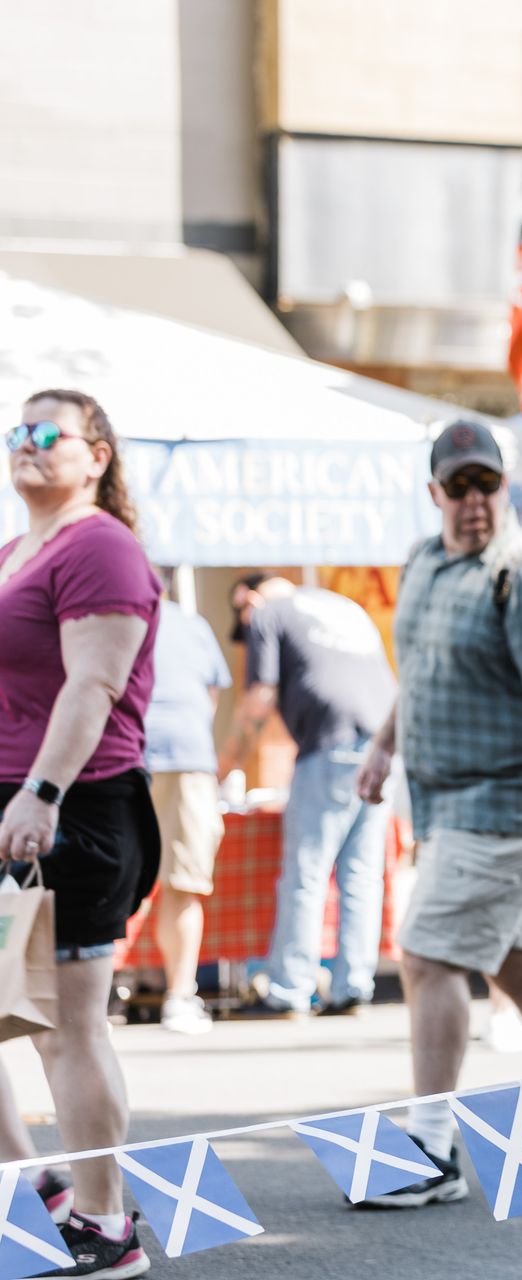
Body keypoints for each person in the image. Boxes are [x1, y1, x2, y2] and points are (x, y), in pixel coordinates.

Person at [350, 419, 522, 1205]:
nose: (473, 501)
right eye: (458, 486)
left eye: (487, 484)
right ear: (435, 492)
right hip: (442, 802)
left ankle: (431, 1149)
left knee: (428, 959)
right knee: (520, 965)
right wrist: (381, 746)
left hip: (503, 802)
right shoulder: (424, 560)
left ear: (508, 488)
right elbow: (423, 670)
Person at [0, 390, 163, 1276]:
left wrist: (42, 792)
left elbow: (91, 686)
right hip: (14, 803)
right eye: (15, 431)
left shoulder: (99, 544)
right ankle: (28, 1190)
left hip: (77, 806)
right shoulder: (16, 551)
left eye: (45, 433)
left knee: (67, 1027)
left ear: (95, 455)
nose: (25, 445)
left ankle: (106, 1225)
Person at [219, 573, 395, 1016]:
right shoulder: (341, 607)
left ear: (250, 599)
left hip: (329, 745)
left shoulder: (270, 612)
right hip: (385, 746)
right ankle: (353, 984)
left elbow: (260, 696)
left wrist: (224, 767)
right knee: (361, 875)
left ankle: (288, 989)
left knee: (306, 872)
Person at [143, 593, 231, 1034]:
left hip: (145, 756)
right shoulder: (192, 623)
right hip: (161, 756)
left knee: (182, 881)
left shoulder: (191, 624)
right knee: (181, 882)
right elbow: (211, 696)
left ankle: (179, 994)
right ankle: (177, 996)